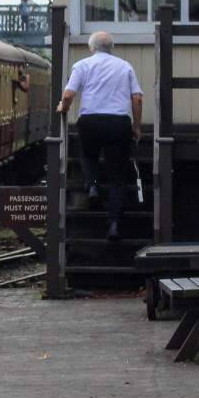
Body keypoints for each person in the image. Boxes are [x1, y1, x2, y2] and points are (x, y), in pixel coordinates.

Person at [58, 30, 142, 241]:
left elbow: (68, 94)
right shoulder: (125, 66)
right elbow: (137, 98)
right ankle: (114, 223)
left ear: (91, 47)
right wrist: (137, 127)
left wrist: (62, 108)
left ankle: (93, 187)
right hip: (118, 124)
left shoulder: (82, 65)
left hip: (90, 122)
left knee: (89, 156)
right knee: (117, 177)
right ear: (111, 48)